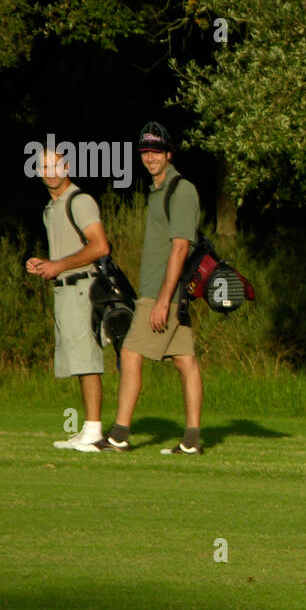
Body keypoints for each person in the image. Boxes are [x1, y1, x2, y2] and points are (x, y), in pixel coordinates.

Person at [84, 121, 204, 455]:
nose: (150, 158)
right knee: (185, 361)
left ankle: (120, 436)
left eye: (156, 152)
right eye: (145, 152)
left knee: (131, 353)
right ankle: (192, 441)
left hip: (162, 293)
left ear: (169, 153)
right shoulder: (158, 190)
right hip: (158, 291)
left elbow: (180, 248)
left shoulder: (182, 190)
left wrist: (164, 300)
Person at [26, 147, 110, 450]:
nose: (50, 171)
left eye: (55, 165)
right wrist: (44, 264)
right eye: (43, 167)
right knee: (78, 360)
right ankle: (88, 428)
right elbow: (65, 252)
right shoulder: (51, 208)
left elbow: (100, 246)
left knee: (87, 360)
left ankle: (94, 431)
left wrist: (59, 265)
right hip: (64, 289)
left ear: (68, 167)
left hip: (81, 289)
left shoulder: (79, 200)